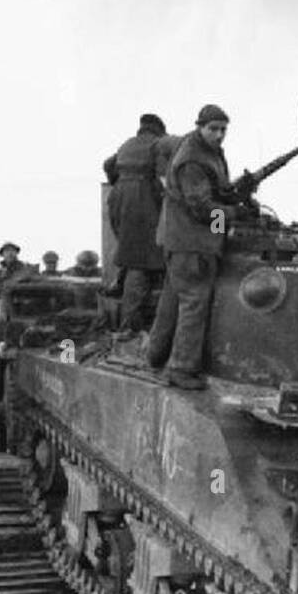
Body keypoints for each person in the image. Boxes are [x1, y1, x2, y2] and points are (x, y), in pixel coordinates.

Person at [144, 103, 243, 388]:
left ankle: (155, 355)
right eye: (214, 129)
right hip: (192, 243)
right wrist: (233, 213)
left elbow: (214, 193)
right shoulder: (193, 159)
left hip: (183, 240)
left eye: (223, 130)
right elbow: (201, 208)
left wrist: (234, 195)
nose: (220, 135)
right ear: (200, 127)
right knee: (194, 302)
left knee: (174, 299)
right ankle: (181, 369)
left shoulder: (206, 150)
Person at [106, 113, 168, 334]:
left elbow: (108, 165)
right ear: (159, 130)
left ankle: (120, 285)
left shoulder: (127, 145)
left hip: (120, 198)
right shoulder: (158, 145)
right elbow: (164, 179)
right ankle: (130, 329)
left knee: (133, 255)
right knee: (141, 264)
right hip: (143, 201)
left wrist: (120, 181)